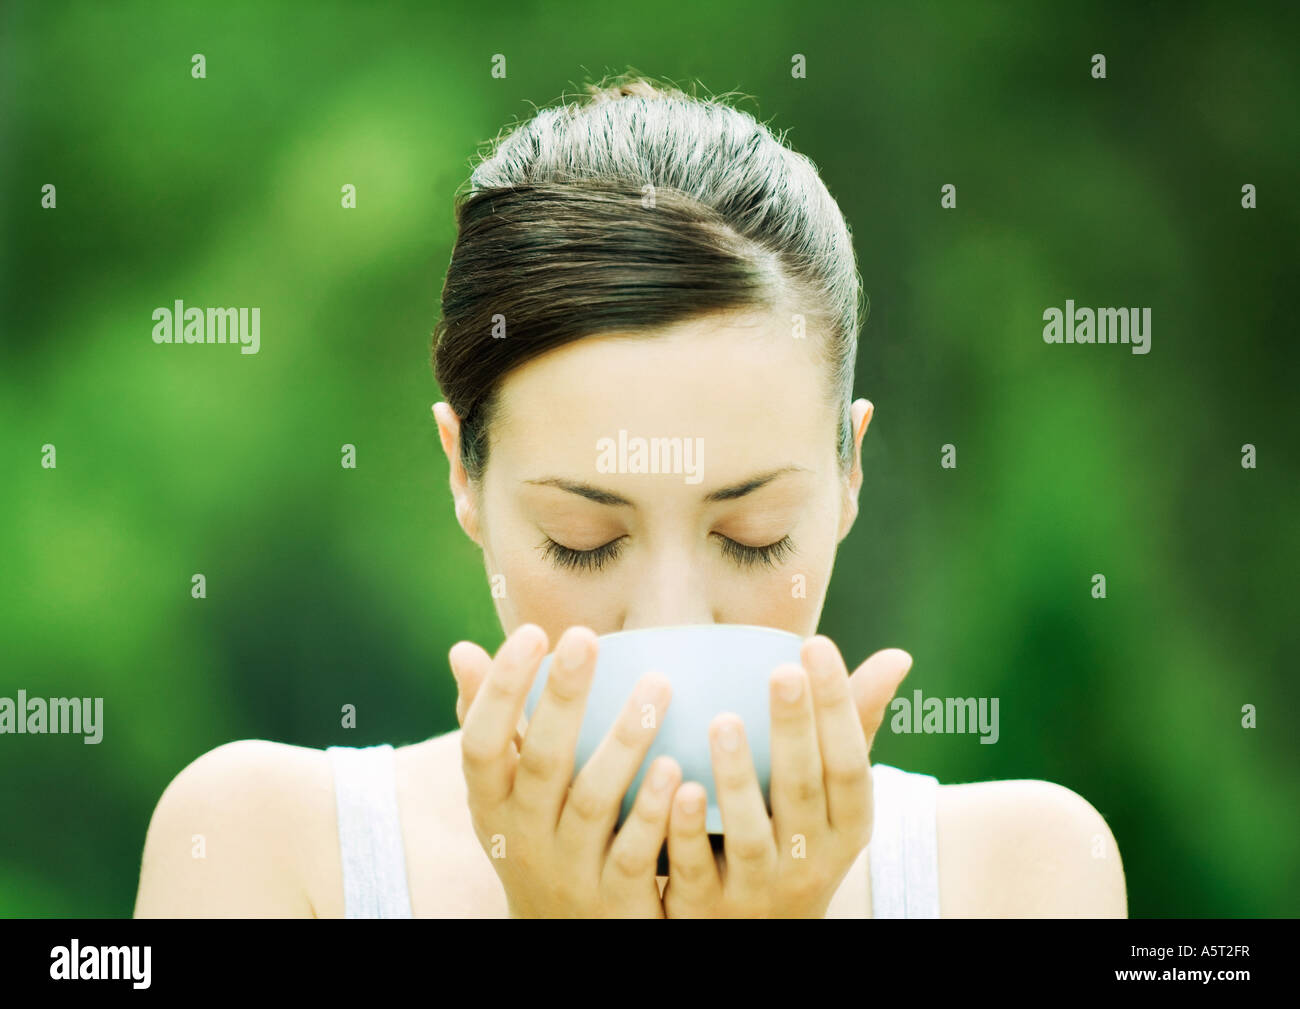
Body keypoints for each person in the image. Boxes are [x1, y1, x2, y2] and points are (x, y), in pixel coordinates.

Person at [134, 74, 1127, 918]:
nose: (668, 625)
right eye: (581, 540)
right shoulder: (261, 848)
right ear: (463, 476)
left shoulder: (1021, 872)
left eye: (751, 536)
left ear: (848, 475)